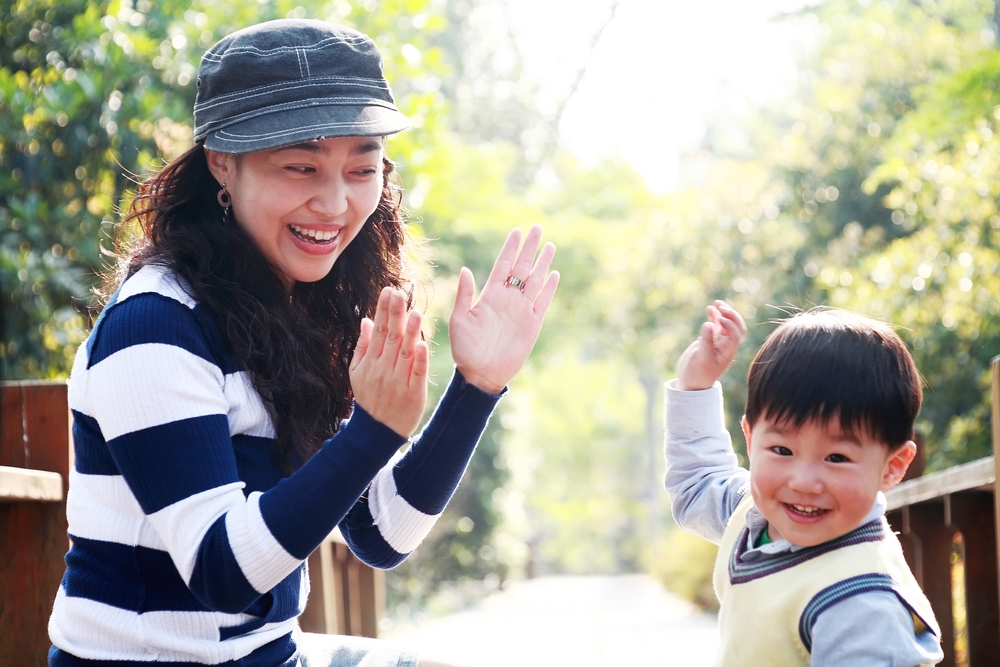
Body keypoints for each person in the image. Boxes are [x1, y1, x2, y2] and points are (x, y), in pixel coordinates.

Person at [47, 19, 558, 667]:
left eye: (362, 168)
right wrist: (372, 430)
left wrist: (476, 387)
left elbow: (383, 532)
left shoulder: (298, 311)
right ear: (222, 163)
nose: (336, 203)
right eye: (301, 167)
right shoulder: (154, 324)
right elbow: (222, 570)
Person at [663, 301, 943, 666]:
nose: (804, 482)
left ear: (892, 467)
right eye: (782, 450)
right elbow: (699, 485)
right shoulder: (755, 513)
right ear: (751, 440)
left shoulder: (861, 604)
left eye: (836, 458)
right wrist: (694, 387)